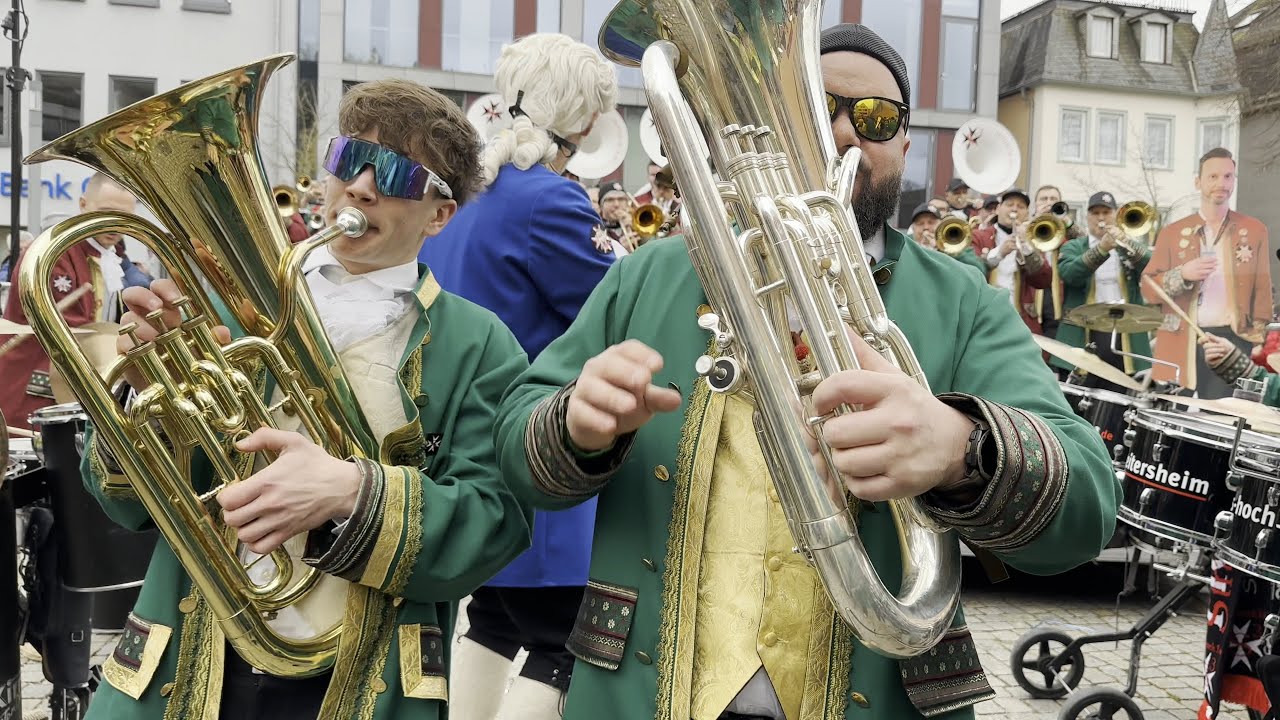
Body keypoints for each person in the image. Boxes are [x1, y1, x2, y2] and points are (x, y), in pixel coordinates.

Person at [493, 23, 1119, 720]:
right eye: (819, 111)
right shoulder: (649, 275)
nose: (848, 133)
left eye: (877, 119)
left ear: (905, 145)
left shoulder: (965, 300)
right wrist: (577, 425)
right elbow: (517, 448)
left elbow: (1088, 508)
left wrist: (961, 450)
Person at [80, 78, 533, 720]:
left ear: (439, 214)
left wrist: (352, 491)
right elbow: (128, 508)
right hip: (192, 653)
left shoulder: (481, 345)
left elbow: (494, 521)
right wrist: (141, 392)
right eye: (349, 159)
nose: (361, 187)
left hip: (366, 678)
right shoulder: (224, 306)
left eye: (399, 173)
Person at [416, 32, 619, 720]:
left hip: (467, 450)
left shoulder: (466, 194)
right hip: (538, 455)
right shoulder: (550, 202)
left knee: (495, 623)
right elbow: (625, 308)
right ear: (585, 121)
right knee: (565, 642)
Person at [0, 173, 152, 430]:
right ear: (83, 205)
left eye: (123, 217)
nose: (113, 225)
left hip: (77, 385)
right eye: (105, 212)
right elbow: (75, 331)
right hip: (37, 385)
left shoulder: (114, 256)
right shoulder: (50, 253)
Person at [1142, 147, 1273, 398]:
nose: (1221, 183)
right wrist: (1182, 274)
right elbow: (1149, 288)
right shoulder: (1173, 232)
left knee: (1224, 420)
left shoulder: (1254, 230)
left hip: (1233, 339)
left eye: (1228, 176)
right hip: (1181, 338)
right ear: (1198, 181)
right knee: (1174, 421)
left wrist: (1258, 339)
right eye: (1213, 176)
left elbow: (1262, 288)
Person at [1052, 191, 1152, 388]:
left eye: (1106, 212)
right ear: (1087, 217)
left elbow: (1153, 266)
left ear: (1115, 215)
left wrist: (1126, 242)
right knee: (1076, 401)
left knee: (1120, 403)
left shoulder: (1127, 246)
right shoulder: (1073, 247)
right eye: (1095, 213)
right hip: (1084, 333)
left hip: (1123, 335)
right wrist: (1101, 249)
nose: (1101, 218)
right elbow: (1070, 274)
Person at [970, 187, 1053, 335]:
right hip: (983, 319)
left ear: (1026, 213)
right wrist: (999, 253)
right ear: (998, 209)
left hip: (1020, 320)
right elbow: (970, 271)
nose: (1015, 209)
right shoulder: (979, 236)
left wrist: (1027, 248)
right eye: (1009, 204)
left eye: (1021, 206)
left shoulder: (1032, 240)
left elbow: (1044, 280)